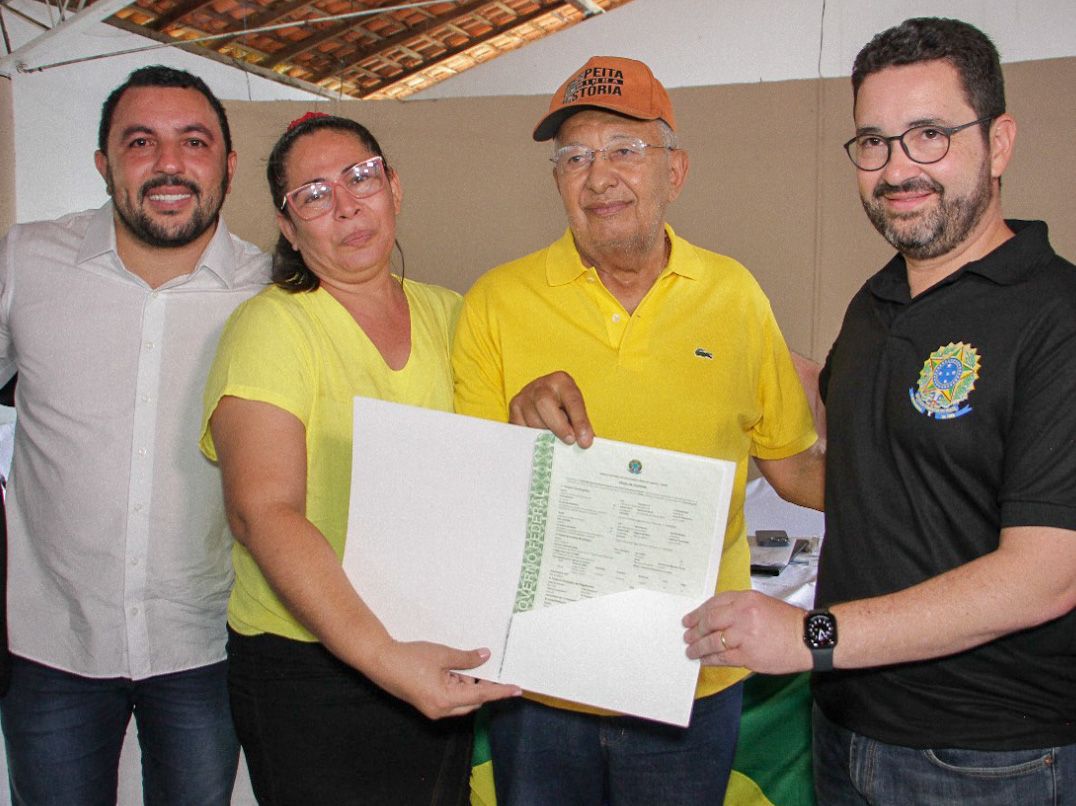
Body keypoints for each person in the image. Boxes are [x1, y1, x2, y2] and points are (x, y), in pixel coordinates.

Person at [682, 17, 1076, 804]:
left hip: (987, 757)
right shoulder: (876, 304)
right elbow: (864, 471)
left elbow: (1046, 576)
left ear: (998, 143)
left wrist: (811, 634)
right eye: (873, 141)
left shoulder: (1054, 317)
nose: (898, 168)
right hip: (846, 728)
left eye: (929, 134)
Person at [452, 56, 824, 804]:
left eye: (624, 149)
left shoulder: (736, 296)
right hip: (542, 681)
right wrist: (513, 431)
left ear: (674, 171)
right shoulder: (495, 302)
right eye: (575, 157)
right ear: (557, 180)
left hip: (694, 673)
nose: (599, 177)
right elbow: (469, 496)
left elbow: (793, 470)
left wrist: (925, 483)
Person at [200, 112, 520, 804]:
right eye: (313, 195)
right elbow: (261, 512)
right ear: (289, 228)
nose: (345, 205)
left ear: (393, 187)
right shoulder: (272, 327)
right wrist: (384, 659)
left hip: (432, 647)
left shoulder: (455, 315)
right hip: (309, 666)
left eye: (360, 177)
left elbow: (498, 467)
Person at [0, 65, 268, 803]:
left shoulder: (270, 290)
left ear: (228, 165)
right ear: (104, 163)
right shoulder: (24, 260)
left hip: (205, 642)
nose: (169, 164)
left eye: (194, 142)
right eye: (141, 141)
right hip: (49, 639)